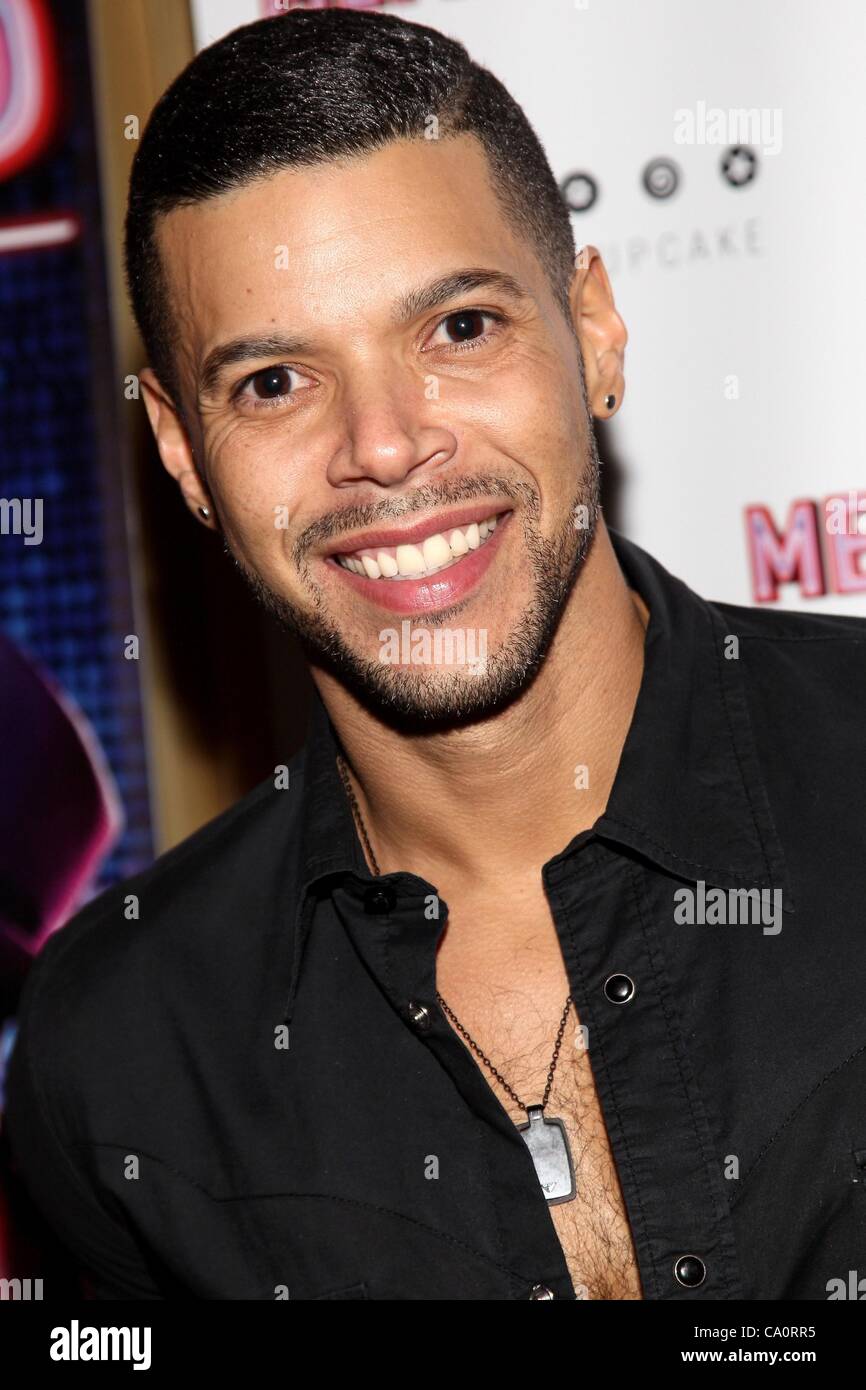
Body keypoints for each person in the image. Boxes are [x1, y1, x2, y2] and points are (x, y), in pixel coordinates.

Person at [5, 7, 866, 1302]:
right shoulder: (121, 1065)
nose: (387, 445)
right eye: (275, 383)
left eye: (457, 328)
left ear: (594, 333)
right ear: (184, 455)